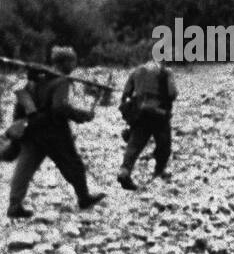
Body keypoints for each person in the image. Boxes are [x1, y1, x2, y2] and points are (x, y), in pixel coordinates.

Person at [6, 46, 106, 218]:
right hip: (54, 132)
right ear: (66, 62)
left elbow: (21, 103)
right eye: (73, 60)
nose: (74, 64)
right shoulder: (61, 81)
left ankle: (14, 206)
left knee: (25, 168)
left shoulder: (35, 78)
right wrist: (82, 116)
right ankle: (84, 198)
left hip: (31, 129)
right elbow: (60, 108)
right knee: (73, 164)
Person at [117, 53, 179, 190]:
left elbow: (125, 94)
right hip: (159, 114)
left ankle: (124, 171)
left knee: (134, 145)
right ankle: (158, 172)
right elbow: (172, 93)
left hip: (140, 114)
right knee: (164, 145)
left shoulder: (136, 71)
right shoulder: (166, 72)